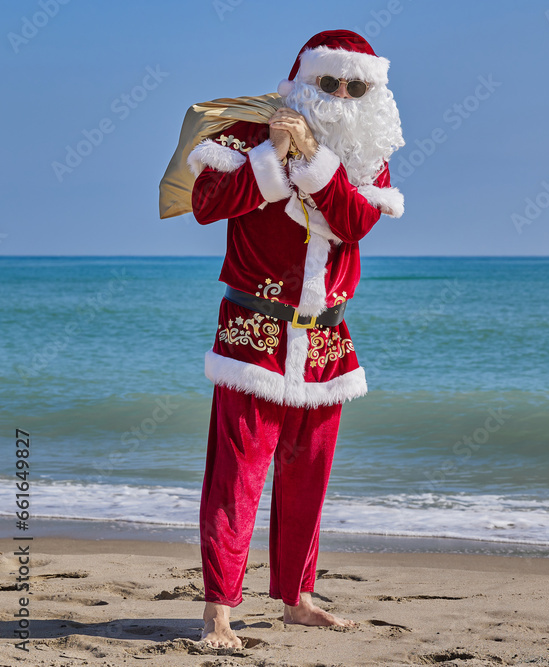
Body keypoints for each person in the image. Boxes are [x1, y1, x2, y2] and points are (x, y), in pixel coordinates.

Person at [186, 30, 405, 648]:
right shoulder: (246, 137)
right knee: (236, 479)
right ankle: (218, 612)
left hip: (327, 344)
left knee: (308, 477)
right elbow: (207, 205)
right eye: (329, 81)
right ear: (302, 80)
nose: (341, 94)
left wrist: (314, 163)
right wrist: (275, 155)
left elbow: (355, 221)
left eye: (355, 85)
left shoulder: (367, 158)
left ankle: (297, 598)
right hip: (252, 338)